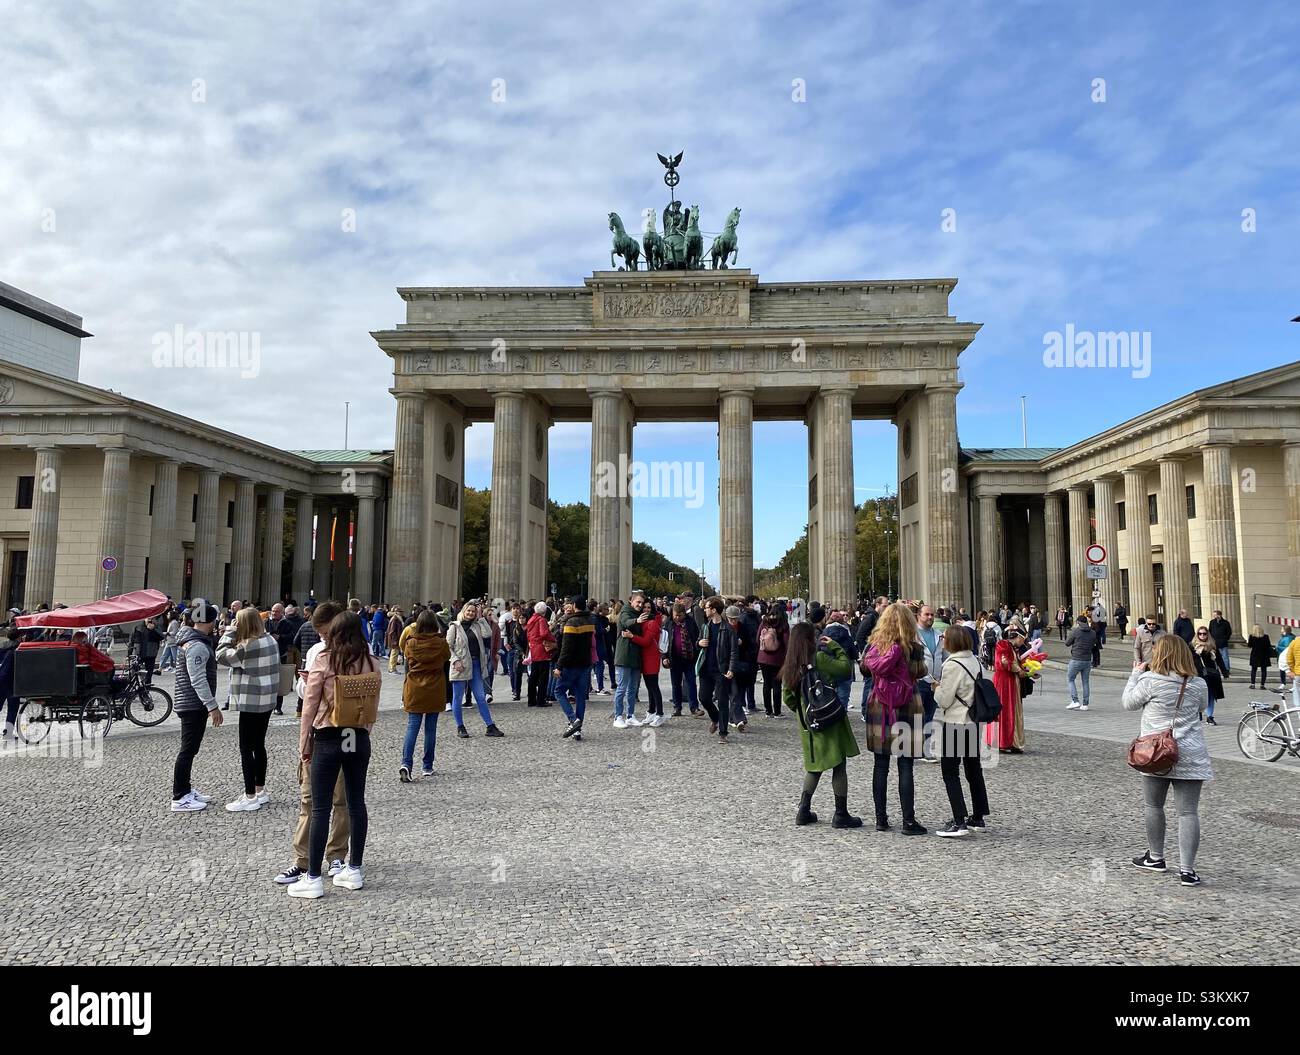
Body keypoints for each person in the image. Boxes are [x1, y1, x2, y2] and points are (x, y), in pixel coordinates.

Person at [288, 611, 381, 899]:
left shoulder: (325, 661)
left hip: (329, 737)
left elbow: (309, 706)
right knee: (356, 803)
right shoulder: (371, 661)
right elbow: (371, 706)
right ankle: (353, 869)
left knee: (319, 808)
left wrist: (305, 744)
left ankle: (313, 876)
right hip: (358, 736)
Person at [1123, 634, 1213, 887]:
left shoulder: (1150, 681)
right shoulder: (1198, 684)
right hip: (1190, 753)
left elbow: (1128, 703)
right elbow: (1203, 708)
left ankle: (1156, 857)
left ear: (1159, 654)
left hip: (1155, 753)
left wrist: (1135, 675)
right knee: (1188, 812)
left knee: (1153, 806)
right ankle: (1188, 871)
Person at [275, 602, 349, 886]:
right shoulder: (317, 651)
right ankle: (302, 860)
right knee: (310, 799)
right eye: (319, 633)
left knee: (341, 798)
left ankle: (337, 855)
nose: (322, 637)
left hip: (342, 731)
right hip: (321, 730)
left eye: (325, 632)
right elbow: (305, 696)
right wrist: (306, 683)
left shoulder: (359, 652)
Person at [781, 622, 861, 828]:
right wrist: (835, 646)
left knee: (814, 765)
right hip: (829, 717)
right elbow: (845, 668)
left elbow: (788, 698)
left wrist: (804, 709)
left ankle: (803, 810)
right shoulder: (820, 659)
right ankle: (841, 814)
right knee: (839, 764)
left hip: (808, 722)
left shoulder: (790, 665)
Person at [862, 602, 927, 834]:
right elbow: (920, 672)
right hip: (907, 705)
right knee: (905, 763)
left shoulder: (875, 644)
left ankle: (881, 819)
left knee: (880, 765)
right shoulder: (913, 647)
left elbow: (864, 669)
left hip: (880, 705)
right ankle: (908, 822)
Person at [216, 607, 280, 812]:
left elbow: (222, 655)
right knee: (259, 745)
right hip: (267, 699)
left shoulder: (248, 645)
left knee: (246, 748)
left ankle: (250, 795)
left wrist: (229, 632)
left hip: (251, 700)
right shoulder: (270, 640)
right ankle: (260, 790)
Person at [933, 626, 990, 837]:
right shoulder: (973, 659)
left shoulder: (952, 665)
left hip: (956, 722)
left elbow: (944, 699)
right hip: (973, 722)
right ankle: (978, 816)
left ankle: (959, 820)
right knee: (973, 769)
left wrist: (936, 689)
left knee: (950, 772)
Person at [169, 602, 223, 812]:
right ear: (210, 621)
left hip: (189, 701)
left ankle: (185, 790)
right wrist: (212, 706)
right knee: (188, 750)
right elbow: (198, 679)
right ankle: (180, 796)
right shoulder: (197, 645)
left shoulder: (188, 638)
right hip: (193, 703)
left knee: (190, 749)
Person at [399, 610, 450, 781]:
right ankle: (427, 766)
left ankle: (406, 763)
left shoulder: (411, 643)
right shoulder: (441, 642)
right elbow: (446, 658)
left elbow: (406, 657)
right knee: (430, 728)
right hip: (435, 687)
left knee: (412, 727)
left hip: (414, 687)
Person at [446, 601, 504, 738]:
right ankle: (460, 726)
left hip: (476, 664)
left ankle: (490, 726)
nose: (471, 613)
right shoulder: (454, 626)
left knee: (480, 697)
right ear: (463, 611)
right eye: (469, 611)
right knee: (458, 697)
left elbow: (488, 633)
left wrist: (481, 617)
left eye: (473, 611)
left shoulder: (478, 625)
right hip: (460, 666)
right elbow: (447, 646)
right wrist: (455, 660)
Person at [555, 596, 595, 740]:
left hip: (571, 665)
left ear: (573, 605)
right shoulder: (590, 620)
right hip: (585, 663)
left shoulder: (571, 622)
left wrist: (559, 666)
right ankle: (577, 730)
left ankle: (573, 720)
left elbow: (566, 648)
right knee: (580, 697)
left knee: (558, 691)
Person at [625, 600, 664, 726]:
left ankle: (660, 714)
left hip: (651, 657)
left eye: (649, 607)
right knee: (650, 687)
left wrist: (632, 637)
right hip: (646, 657)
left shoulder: (652, 623)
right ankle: (652, 711)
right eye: (644, 607)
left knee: (653, 687)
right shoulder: (646, 621)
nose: (646, 609)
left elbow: (646, 641)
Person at [986, 627, 1025, 753]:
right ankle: (1002, 741)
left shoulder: (1012, 647)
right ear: (1018, 637)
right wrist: (1020, 670)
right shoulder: (1003, 645)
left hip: (1011, 681)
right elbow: (1003, 663)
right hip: (1004, 682)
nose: (1023, 642)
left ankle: (1011, 741)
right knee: (1005, 710)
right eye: (1023, 639)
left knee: (1012, 710)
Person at [915, 604, 946, 761]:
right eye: (926, 614)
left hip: (935, 682)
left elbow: (944, 656)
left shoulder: (939, 635)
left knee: (929, 717)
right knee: (918, 716)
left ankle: (926, 750)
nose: (930, 617)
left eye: (932, 615)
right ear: (918, 616)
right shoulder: (912, 634)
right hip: (918, 680)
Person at [613, 592, 648, 725]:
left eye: (641, 603)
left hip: (635, 655)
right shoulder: (625, 612)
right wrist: (637, 621)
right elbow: (626, 622)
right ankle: (617, 716)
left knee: (633, 688)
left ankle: (630, 715)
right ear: (631, 601)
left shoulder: (639, 613)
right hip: (625, 655)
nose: (640, 605)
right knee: (622, 687)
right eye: (638, 602)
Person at [721, 604, 755, 733]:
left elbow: (751, 644)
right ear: (727, 618)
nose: (734, 621)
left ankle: (731, 718)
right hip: (728, 665)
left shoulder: (743, 627)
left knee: (739, 693)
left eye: (735, 619)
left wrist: (743, 643)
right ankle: (740, 719)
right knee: (734, 693)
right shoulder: (723, 628)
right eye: (731, 619)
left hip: (742, 664)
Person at [664, 602, 700, 717]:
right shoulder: (668, 623)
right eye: (676, 615)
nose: (677, 618)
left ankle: (694, 707)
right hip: (674, 658)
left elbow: (696, 637)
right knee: (676, 684)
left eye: (680, 615)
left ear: (684, 614)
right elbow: (664, 642)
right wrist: (664, 657)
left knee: (691, 683)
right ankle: (677, 707)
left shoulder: (690, 622)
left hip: (689, 658)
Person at [1191, 626, 1226, 725]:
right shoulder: (1193, 646)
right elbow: (1189, 659)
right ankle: (1199, 712)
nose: (1202, 636)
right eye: (1200, 634)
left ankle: (1210, 716)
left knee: (1211, 695)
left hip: (1211, 674)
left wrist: (1224, 671)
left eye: (1204, 634)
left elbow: (1219, 659)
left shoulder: (1212, 645)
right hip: (1198, 674)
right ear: (1197, 635)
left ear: (1208, 634)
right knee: (1198, 695)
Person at [757, 607, 789, 716]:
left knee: (766, 684)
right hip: (777, 659)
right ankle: (777, 712)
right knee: (776, 685)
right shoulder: (783, 624)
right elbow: (787, 642)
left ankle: (768, 710)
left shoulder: (764, 622)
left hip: (763, 658)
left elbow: (757, 638)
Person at [1064, 613, 1098, 711]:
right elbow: (1094, 643)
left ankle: (1075, 701)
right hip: (1087, 660)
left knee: (1070, 679)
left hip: (1076, 658)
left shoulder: (1075, 631)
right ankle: (1085, 704)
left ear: (1078, 622)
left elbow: (1067, 643)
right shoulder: (1092, 632)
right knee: (1085, 682)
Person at [525, 601, 555, 708]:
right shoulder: (541, 620)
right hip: (542, 649)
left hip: (533, 648)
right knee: (543, 677)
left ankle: (531, 700)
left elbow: (528, 634)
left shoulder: (531, 619)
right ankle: (541, 700)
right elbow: (544, 633)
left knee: (533, 676)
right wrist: (553, 638)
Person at [128, 617, 164, 684]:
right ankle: (129, 686)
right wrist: (129, 653)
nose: (150, 619)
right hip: (138, 653)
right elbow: (131, 641)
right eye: (148, 618)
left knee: (149, 674)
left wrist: (153, 630)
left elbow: (161, 637)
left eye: (152, 618)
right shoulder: (138, 627)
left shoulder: (156, 627)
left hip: (151, 654)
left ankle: (146, 689)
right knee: (133, 671)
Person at [1207, 609, 1233, 676]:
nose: (1214, 616)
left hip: (1223, 642)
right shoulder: (1212, 622)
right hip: (1214, 643)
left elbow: (1229, 632)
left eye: (1215, 615)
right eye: (1213, 615)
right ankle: (1216, 669)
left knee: (1225, 657)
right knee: (1214, 657)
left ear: (1219, 615)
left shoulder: (1225, 623)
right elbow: (1210, 631)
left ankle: (1226, 669)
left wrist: (1225, 638)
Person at [1247, 625, 1273, 689]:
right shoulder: (1266, 636)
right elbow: (1268, 645)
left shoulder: (1251, 637)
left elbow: (1249, 645)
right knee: (1264, 670)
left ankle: (1253, 684)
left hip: (1255, 655)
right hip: (1264, 655)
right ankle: (1262, 685)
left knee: (1253, 670)